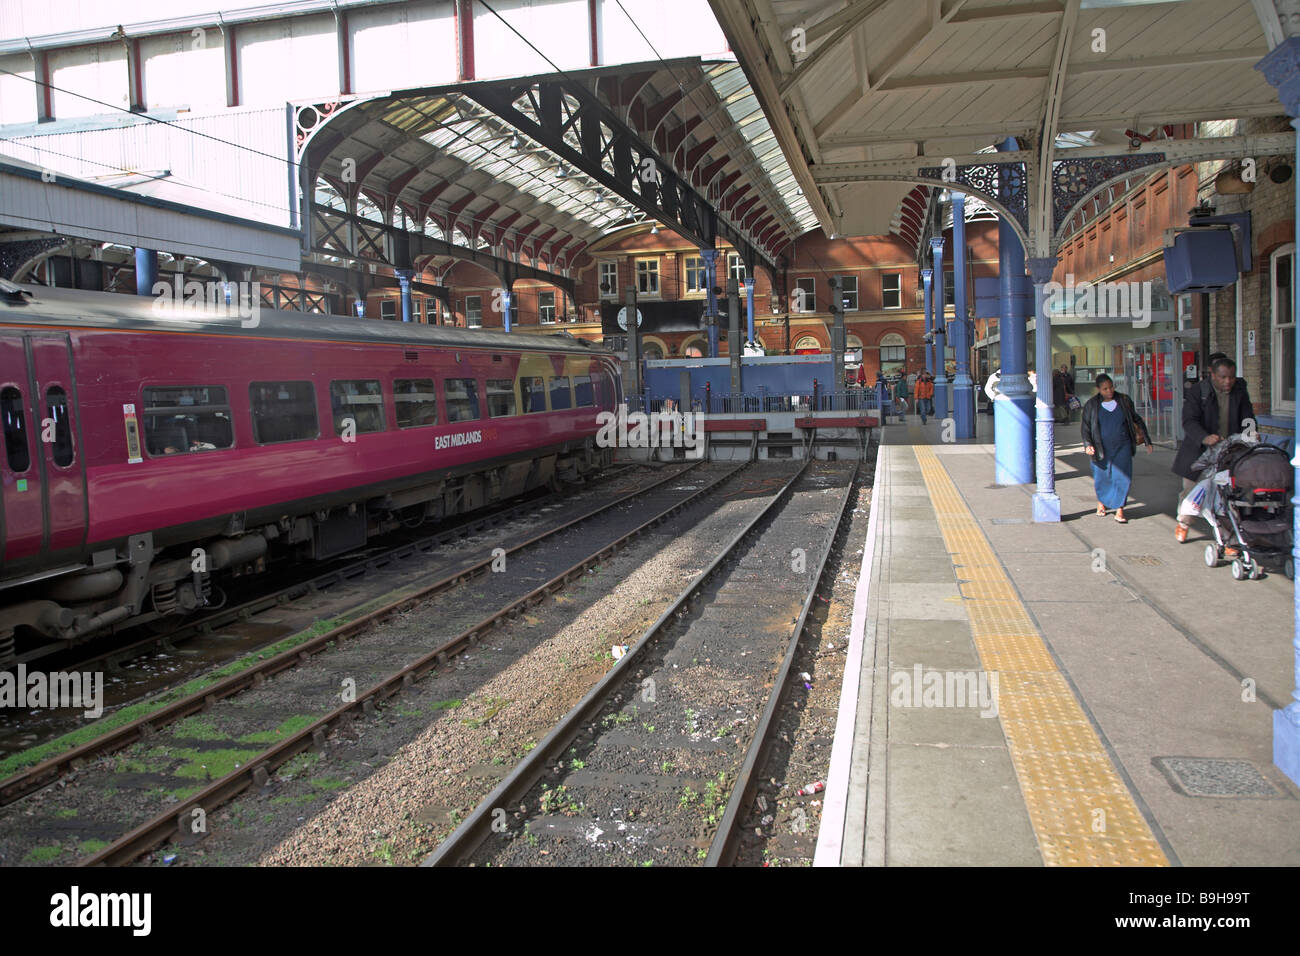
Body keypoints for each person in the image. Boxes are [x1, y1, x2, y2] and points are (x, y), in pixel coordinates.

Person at [1173, 356, 1255, 542]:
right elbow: (1189, 420)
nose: (1228, 382)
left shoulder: (1240, 389)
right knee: (1192, 491)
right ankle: (1184, 523)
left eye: (1231, 377)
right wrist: (1204, 437)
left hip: (1229, 451)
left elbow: (1247, 416)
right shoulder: (1198, 390)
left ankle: (1228, 536)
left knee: (1227, 494)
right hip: (1199, 450)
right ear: (1213, 375)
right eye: (1223, 377)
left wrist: (1250, 433)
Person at [1081, 373, 1152, 522]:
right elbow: (1086, 427)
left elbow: (1136, 419)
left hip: (1123, 445)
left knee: (1122, 477)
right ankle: (1102, 502)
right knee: (1102, 476)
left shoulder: (1124, 401)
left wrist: (1147, 440)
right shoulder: (1091, 405)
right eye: (1105, 389)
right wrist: (1088, 444)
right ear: (1098, 389)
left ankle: (1120, 509)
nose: (1109, 391)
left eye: (1111, 387)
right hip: (1101, 447)